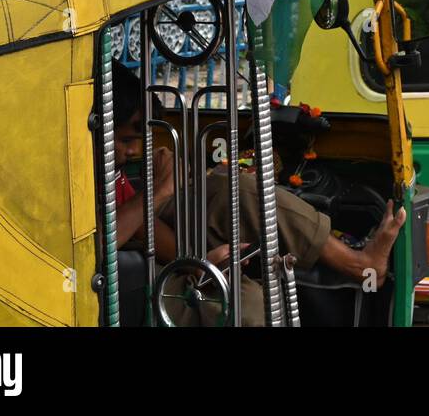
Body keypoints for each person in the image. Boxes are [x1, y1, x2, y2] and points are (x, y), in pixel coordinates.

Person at [111, 62, 405, 325]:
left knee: (237, 190)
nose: (135, 151)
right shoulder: (79, 179)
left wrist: (199, 259)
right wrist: (159, 195)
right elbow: (102, 241)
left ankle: (359, 264)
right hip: (126, 271)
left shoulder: (116, 171)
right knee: (247, 305)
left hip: (151, 241)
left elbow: (143, 228)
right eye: (126, 140)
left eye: (139, 141)